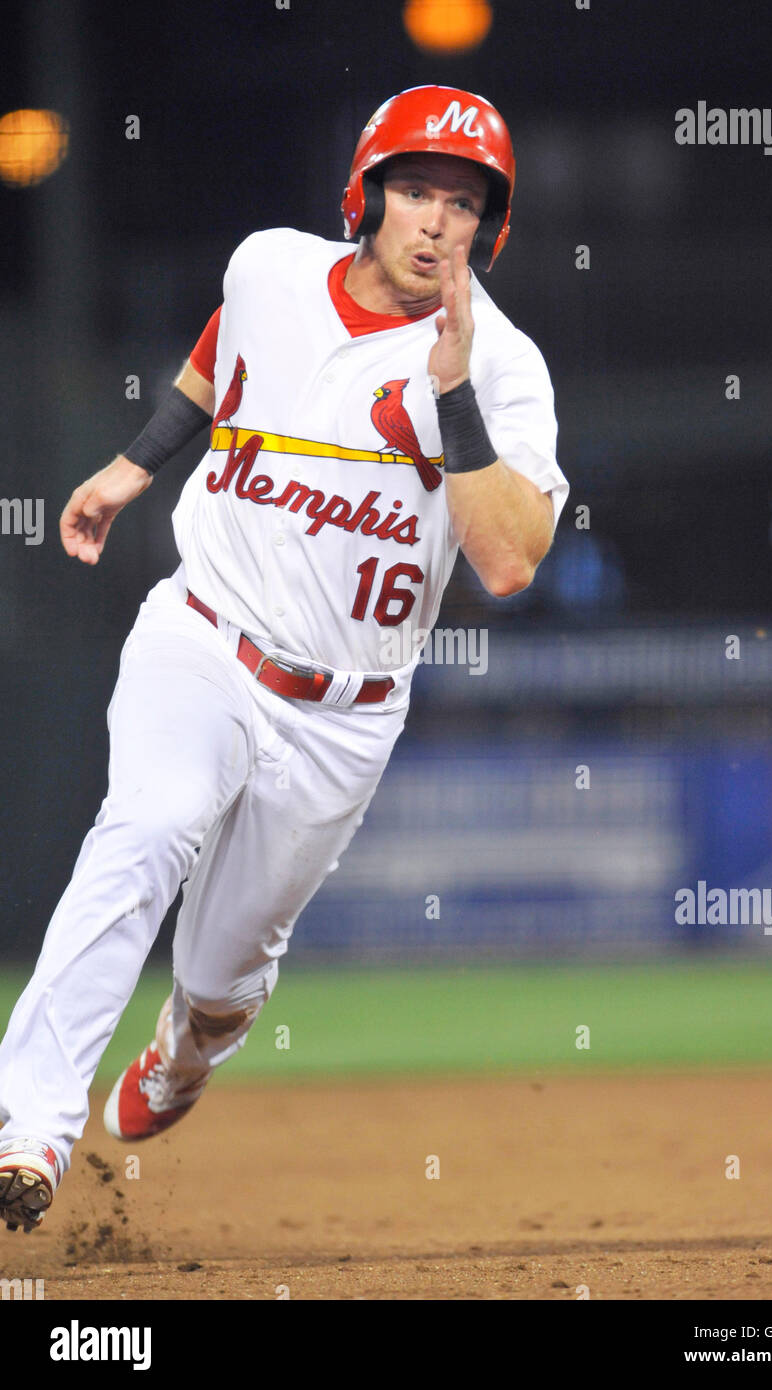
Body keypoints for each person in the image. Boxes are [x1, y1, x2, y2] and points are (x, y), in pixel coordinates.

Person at [0, 85, 568, 1232]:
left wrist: (450, 395)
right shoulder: (267, 265)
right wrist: (135, 462)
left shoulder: (501, 370)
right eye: (415, 190)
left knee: (218, 977)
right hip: (203, 636)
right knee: (147, 826)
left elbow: (507, 564)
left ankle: (186, 1050)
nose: (434, 223)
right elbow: (224, 350)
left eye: (463, 204)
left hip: (342, 714)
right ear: (366, 194)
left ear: (487, 229)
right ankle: (28, 1130)